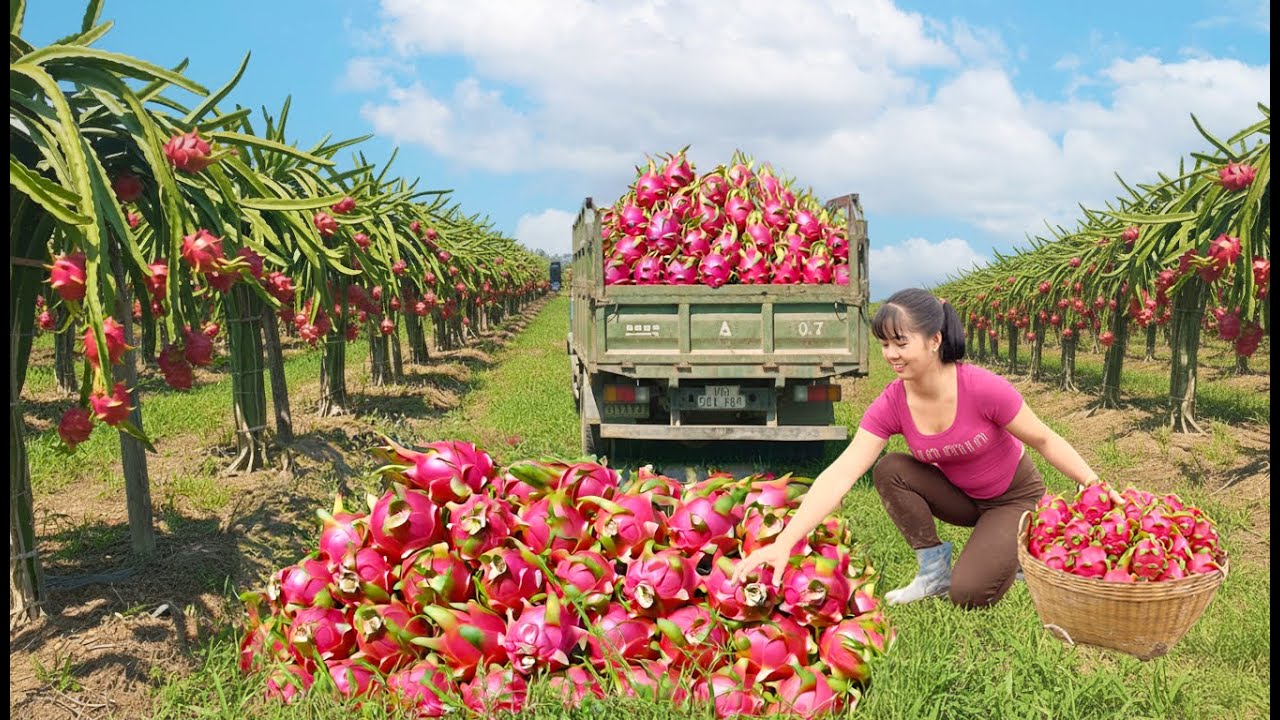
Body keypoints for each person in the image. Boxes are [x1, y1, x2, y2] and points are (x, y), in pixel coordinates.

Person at [732, 288, 1099, 609]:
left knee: (969, 594)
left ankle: (1020, 550)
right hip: (962, 497)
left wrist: (1092, 483)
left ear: (935, 340)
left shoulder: (982, 388)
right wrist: (785, 542)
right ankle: (934, 571)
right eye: (885, 344)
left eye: (901, 343)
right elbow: (843, 472)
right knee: (889, 468)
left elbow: (1046, 439)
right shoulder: (892, 402)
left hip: (1012, 499)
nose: (891, 354)